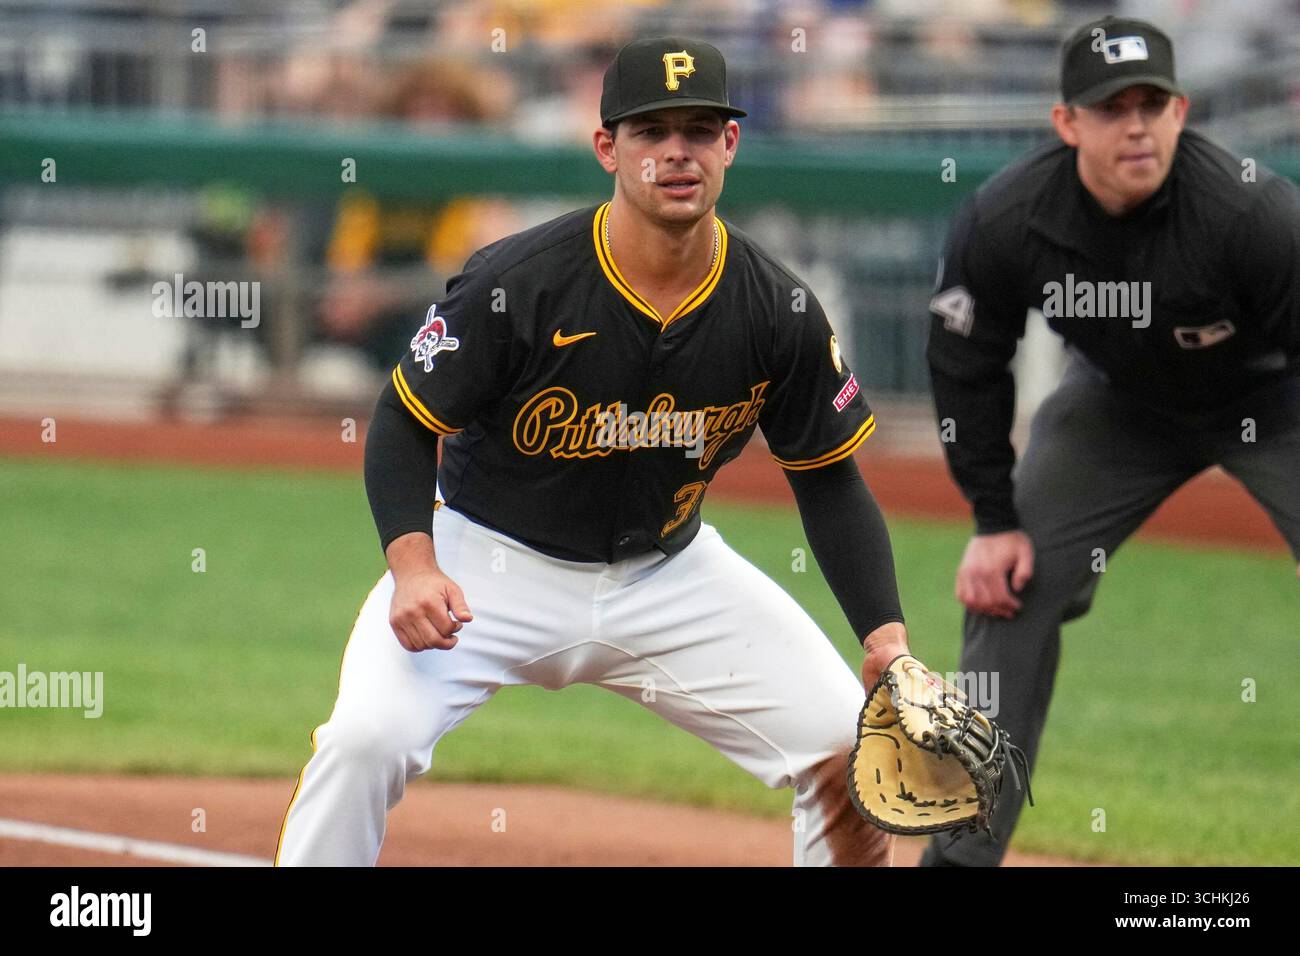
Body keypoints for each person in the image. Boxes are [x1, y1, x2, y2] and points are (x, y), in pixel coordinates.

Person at [276, 36, 914, 867]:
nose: (676, 151)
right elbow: (403, 421)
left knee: (847, 752)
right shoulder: (521, 281)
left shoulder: (777, 308)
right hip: (487, 568)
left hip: (669, 575)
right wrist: (414, 565)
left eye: (699, 128)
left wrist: (885, 636)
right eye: (651, 131)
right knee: (364, 741)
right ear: (608, 148)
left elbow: (828, 477)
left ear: (731, 144)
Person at [922, 15, 1300, 867]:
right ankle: (958, 855)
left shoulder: (1254, 214)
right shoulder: (1007, 218)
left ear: (1180, 112)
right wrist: (992, 520)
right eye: (1111, 107)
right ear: (1068, 124)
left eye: (1152, 105)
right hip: (1121, 406)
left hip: (1277, 398)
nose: (1135, 125)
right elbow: (967, 368)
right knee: (1004, 592)